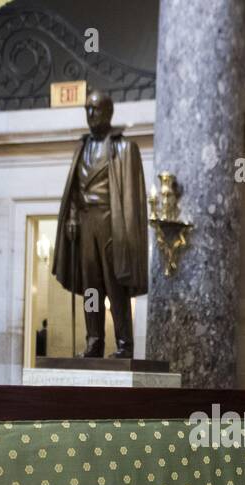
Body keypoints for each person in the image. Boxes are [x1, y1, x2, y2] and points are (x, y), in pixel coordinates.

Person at [52, 89, 148, 359]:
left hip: (111, 222)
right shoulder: (81, 148)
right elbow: (73, 190)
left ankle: (124, 343)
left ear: (108, 112)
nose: (91, 114)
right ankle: (94, 340)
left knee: (115, 285)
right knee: (91, 287)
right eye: (87, 109)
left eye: (95, 109)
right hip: (85, 223)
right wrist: (71, 216)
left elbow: (131, 197)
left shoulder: (124, 148)